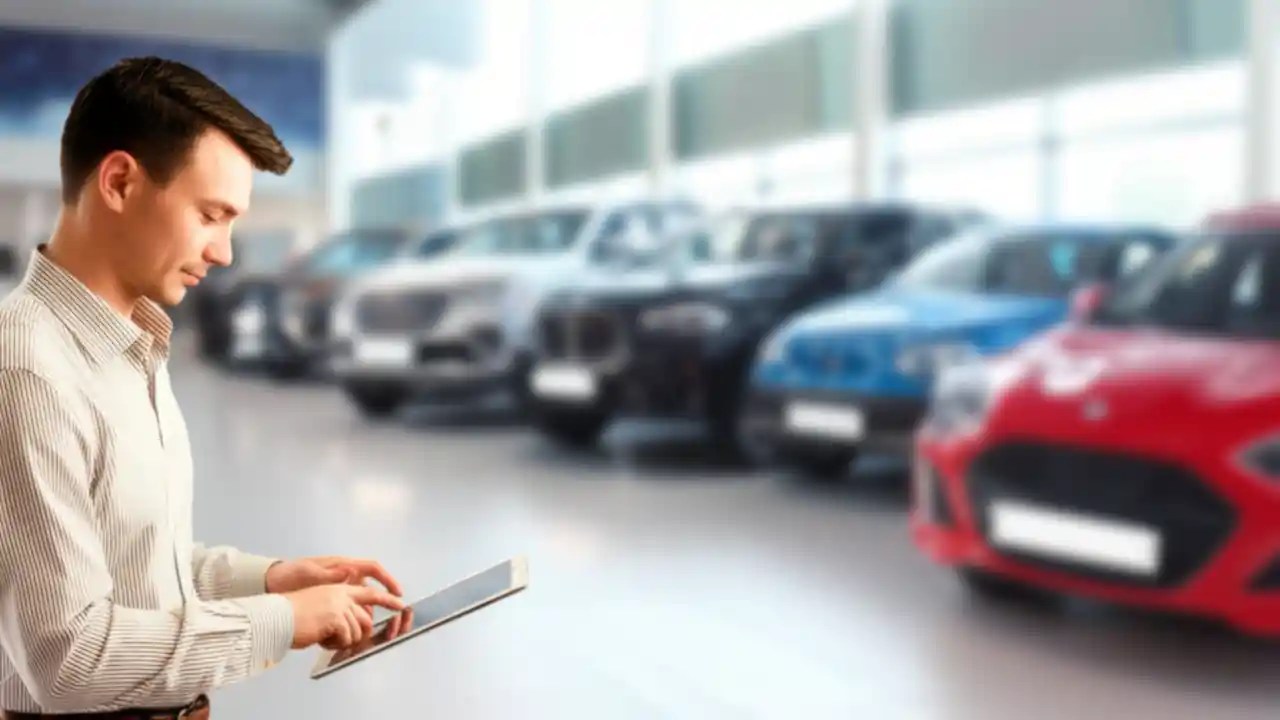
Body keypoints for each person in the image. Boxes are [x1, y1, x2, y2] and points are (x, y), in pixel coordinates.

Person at [0, 57, 407, 719]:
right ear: (121, 181)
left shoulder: (134, 349)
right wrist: (282, 620)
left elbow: (133, 563)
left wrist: (270, 580)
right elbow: (68, 659)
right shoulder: (27, 369)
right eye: (211, 215)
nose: (224, 252)